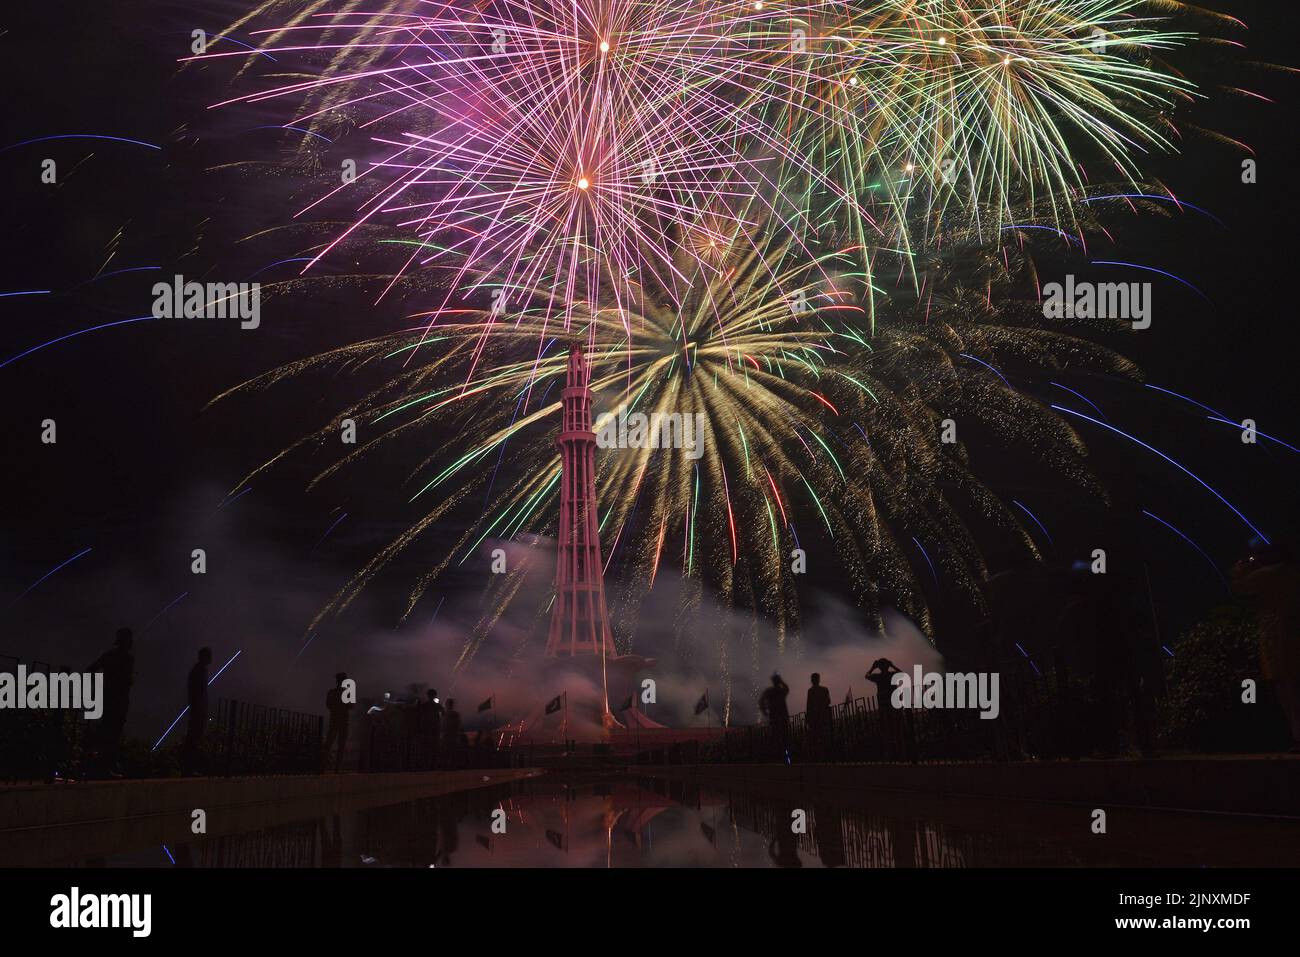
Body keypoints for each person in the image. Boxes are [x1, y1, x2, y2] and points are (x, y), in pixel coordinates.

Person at [1232, 541, 1300, 750]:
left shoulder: (1269, 575)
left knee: (1287, 690)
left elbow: (1238, 586)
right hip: (1288, 634)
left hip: (1280, 639)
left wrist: (1242, 566)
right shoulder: (1291, 573)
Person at [87, 627, 134, 777]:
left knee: (107, 732)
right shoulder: (127, 658)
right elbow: (126, 681)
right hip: (118, 701)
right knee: (112, 734)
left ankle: (101, 766)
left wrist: (102, 686)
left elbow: (89, 670)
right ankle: (105, 767)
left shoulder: (109, 656)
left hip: (109, 699)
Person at [181, 648, 212, 775]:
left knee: (195, 737)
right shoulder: (199, 671)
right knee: (194, 737)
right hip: (198, 709)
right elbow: (197, 692)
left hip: (198, 708)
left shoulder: (198, 670)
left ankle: (189, 767)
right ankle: (188, 767)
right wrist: (200, 707)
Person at [324, 672, 354, 772]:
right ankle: (336, 768)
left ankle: (324, 766)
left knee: (329, 744)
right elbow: (351, 706)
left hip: (334, 720)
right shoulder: (347, 692)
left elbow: (328, 705)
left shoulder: (331, 692)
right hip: (343, 721)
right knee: (340, 746)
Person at [758, 674, 790, 761]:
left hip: (774, 717)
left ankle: (777, 757)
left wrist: (765, 711)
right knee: (784, 738)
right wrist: (781, 681)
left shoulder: (769, 691)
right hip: (782, 717)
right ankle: (786, 758)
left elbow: (761, 701)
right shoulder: (780, 691)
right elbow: (787, 688)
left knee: (776, 737)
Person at [806, 673, 832, 759]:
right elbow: (828, 701)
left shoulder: (811, 691)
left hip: (817, 719)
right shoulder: (823, 690)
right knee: (822, 739)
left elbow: (809, 706)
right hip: (821, 718)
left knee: (818, 739)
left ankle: (819, 757)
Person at [423, 689, 444, 768]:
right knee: (434, 748)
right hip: (435, 730)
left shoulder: (424, 706)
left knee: (428, 748)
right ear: (434, 695)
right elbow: (444, 713)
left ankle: (427, 765)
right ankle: (434, 765)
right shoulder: (437, 706)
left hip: (426, 730)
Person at [443, 699, 462, 767]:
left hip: (448, 736)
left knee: (448, 752)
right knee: (452, 753)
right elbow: (458, 726)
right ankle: (452, 765)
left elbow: (443, 726)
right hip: (453, 736)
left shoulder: (445, 714)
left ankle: (448, 765)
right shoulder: (455, 714)